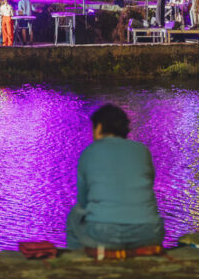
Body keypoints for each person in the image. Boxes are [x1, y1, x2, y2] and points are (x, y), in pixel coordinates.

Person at [66, 104, 165, 250]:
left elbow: (83, 200)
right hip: (148, 233)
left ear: (99, 128)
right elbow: (148, 183)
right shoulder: (142, 150)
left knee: (75, 216)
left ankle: (75, 259)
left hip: (104, 235)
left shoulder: (89, 152)